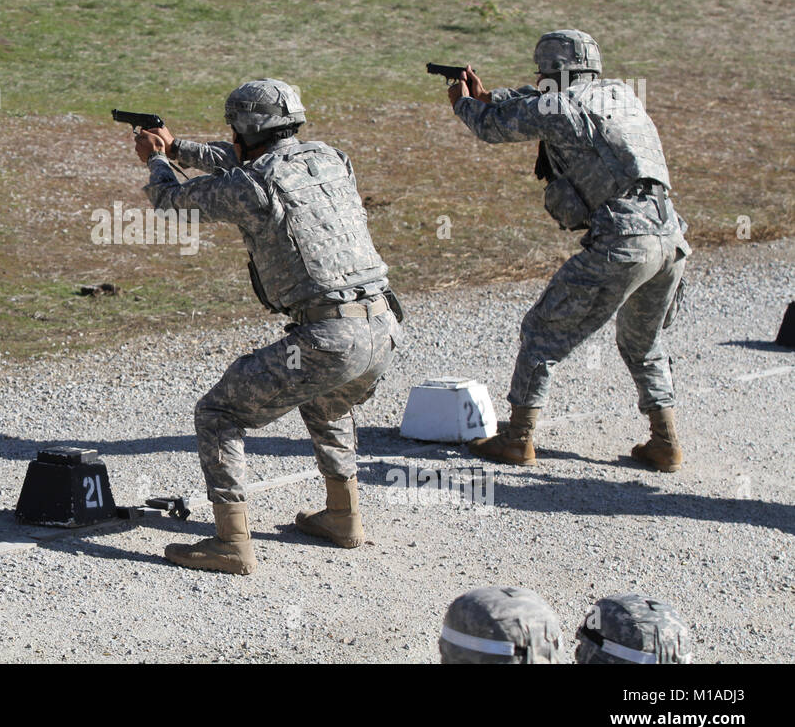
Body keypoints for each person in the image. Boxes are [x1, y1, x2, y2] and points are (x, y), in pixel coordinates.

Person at [135, 79, 402, 575]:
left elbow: (170, 199)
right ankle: (343, 516)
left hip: (330, 335)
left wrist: (156, 159)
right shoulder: (331, 159)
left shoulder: (249, 186)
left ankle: (231, 543)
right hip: (383, 328)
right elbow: (253, 160)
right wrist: (179, 147)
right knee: (328, 400)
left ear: (243, 128)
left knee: (218, 413)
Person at [448, 30, 690, 472]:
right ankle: (665, 441)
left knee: (543, 330)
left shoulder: (557, 105)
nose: (538, 79)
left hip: (623, 239)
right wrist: (491, 94)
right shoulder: (620, 95)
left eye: (542, 73)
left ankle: (518, 438)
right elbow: (533, 100)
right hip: (670, 235)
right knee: (643, 341)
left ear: (554, 74)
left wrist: (464, 103)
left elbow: (494, 127)